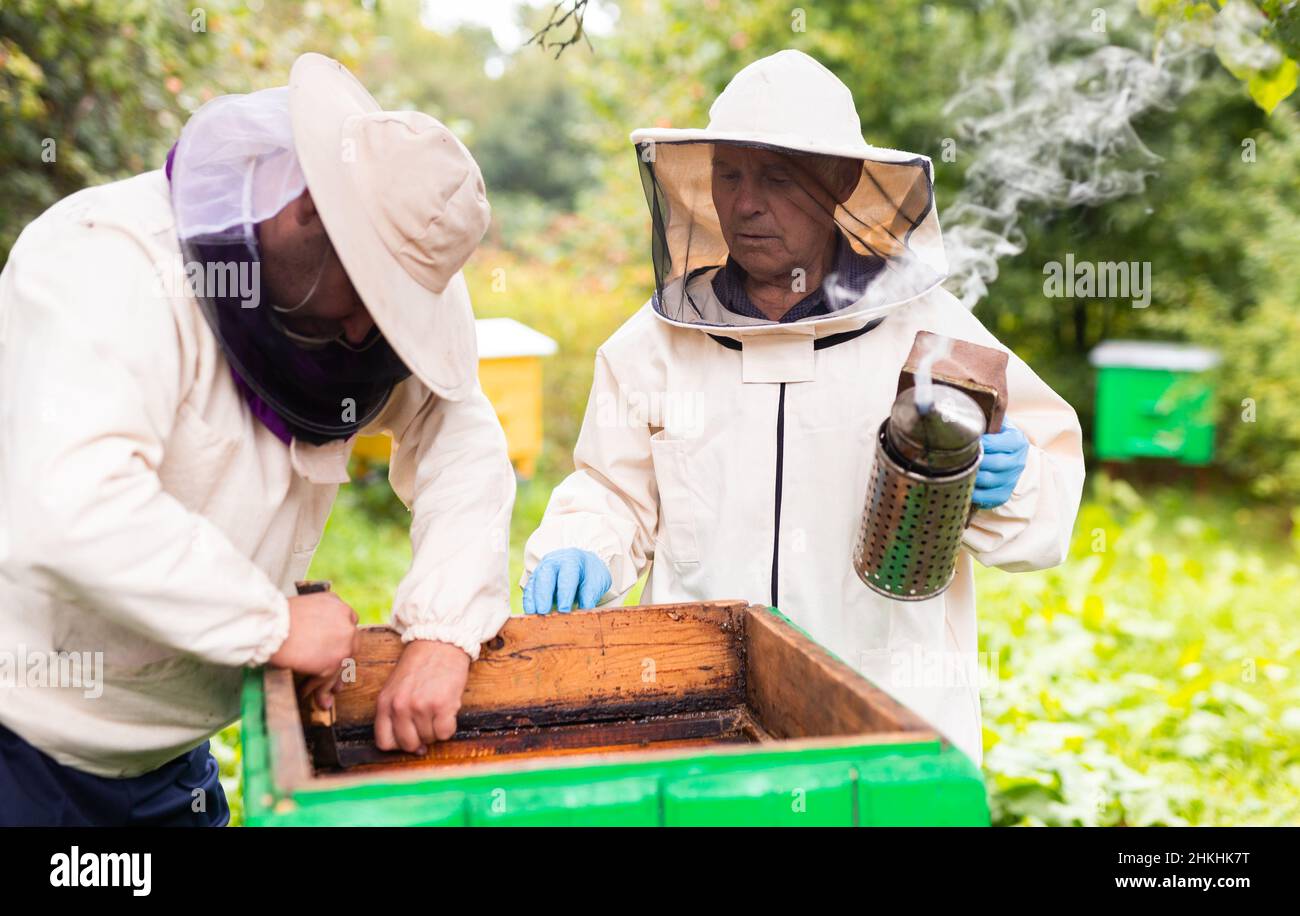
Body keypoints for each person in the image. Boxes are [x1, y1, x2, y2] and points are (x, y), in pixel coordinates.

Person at [521, 50, 1085, 767]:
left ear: (840, 182)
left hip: (888, 722)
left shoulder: (931, 333)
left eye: (777, 178)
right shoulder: (653, 346)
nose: (745, 203)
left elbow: (1047, 521)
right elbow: (613, 493)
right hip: (705, 718)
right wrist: (581, 545)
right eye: (730, 173)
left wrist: (1017, 480)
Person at [0, 53, 515, 825]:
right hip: (25, 747)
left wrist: (446, 630)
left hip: (179, 760)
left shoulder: (400, 259)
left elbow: (458, 430)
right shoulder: (106, 260)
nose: (366, 331)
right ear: (310, 209)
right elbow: (72, 500)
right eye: (369, 293)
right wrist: (272, 624)